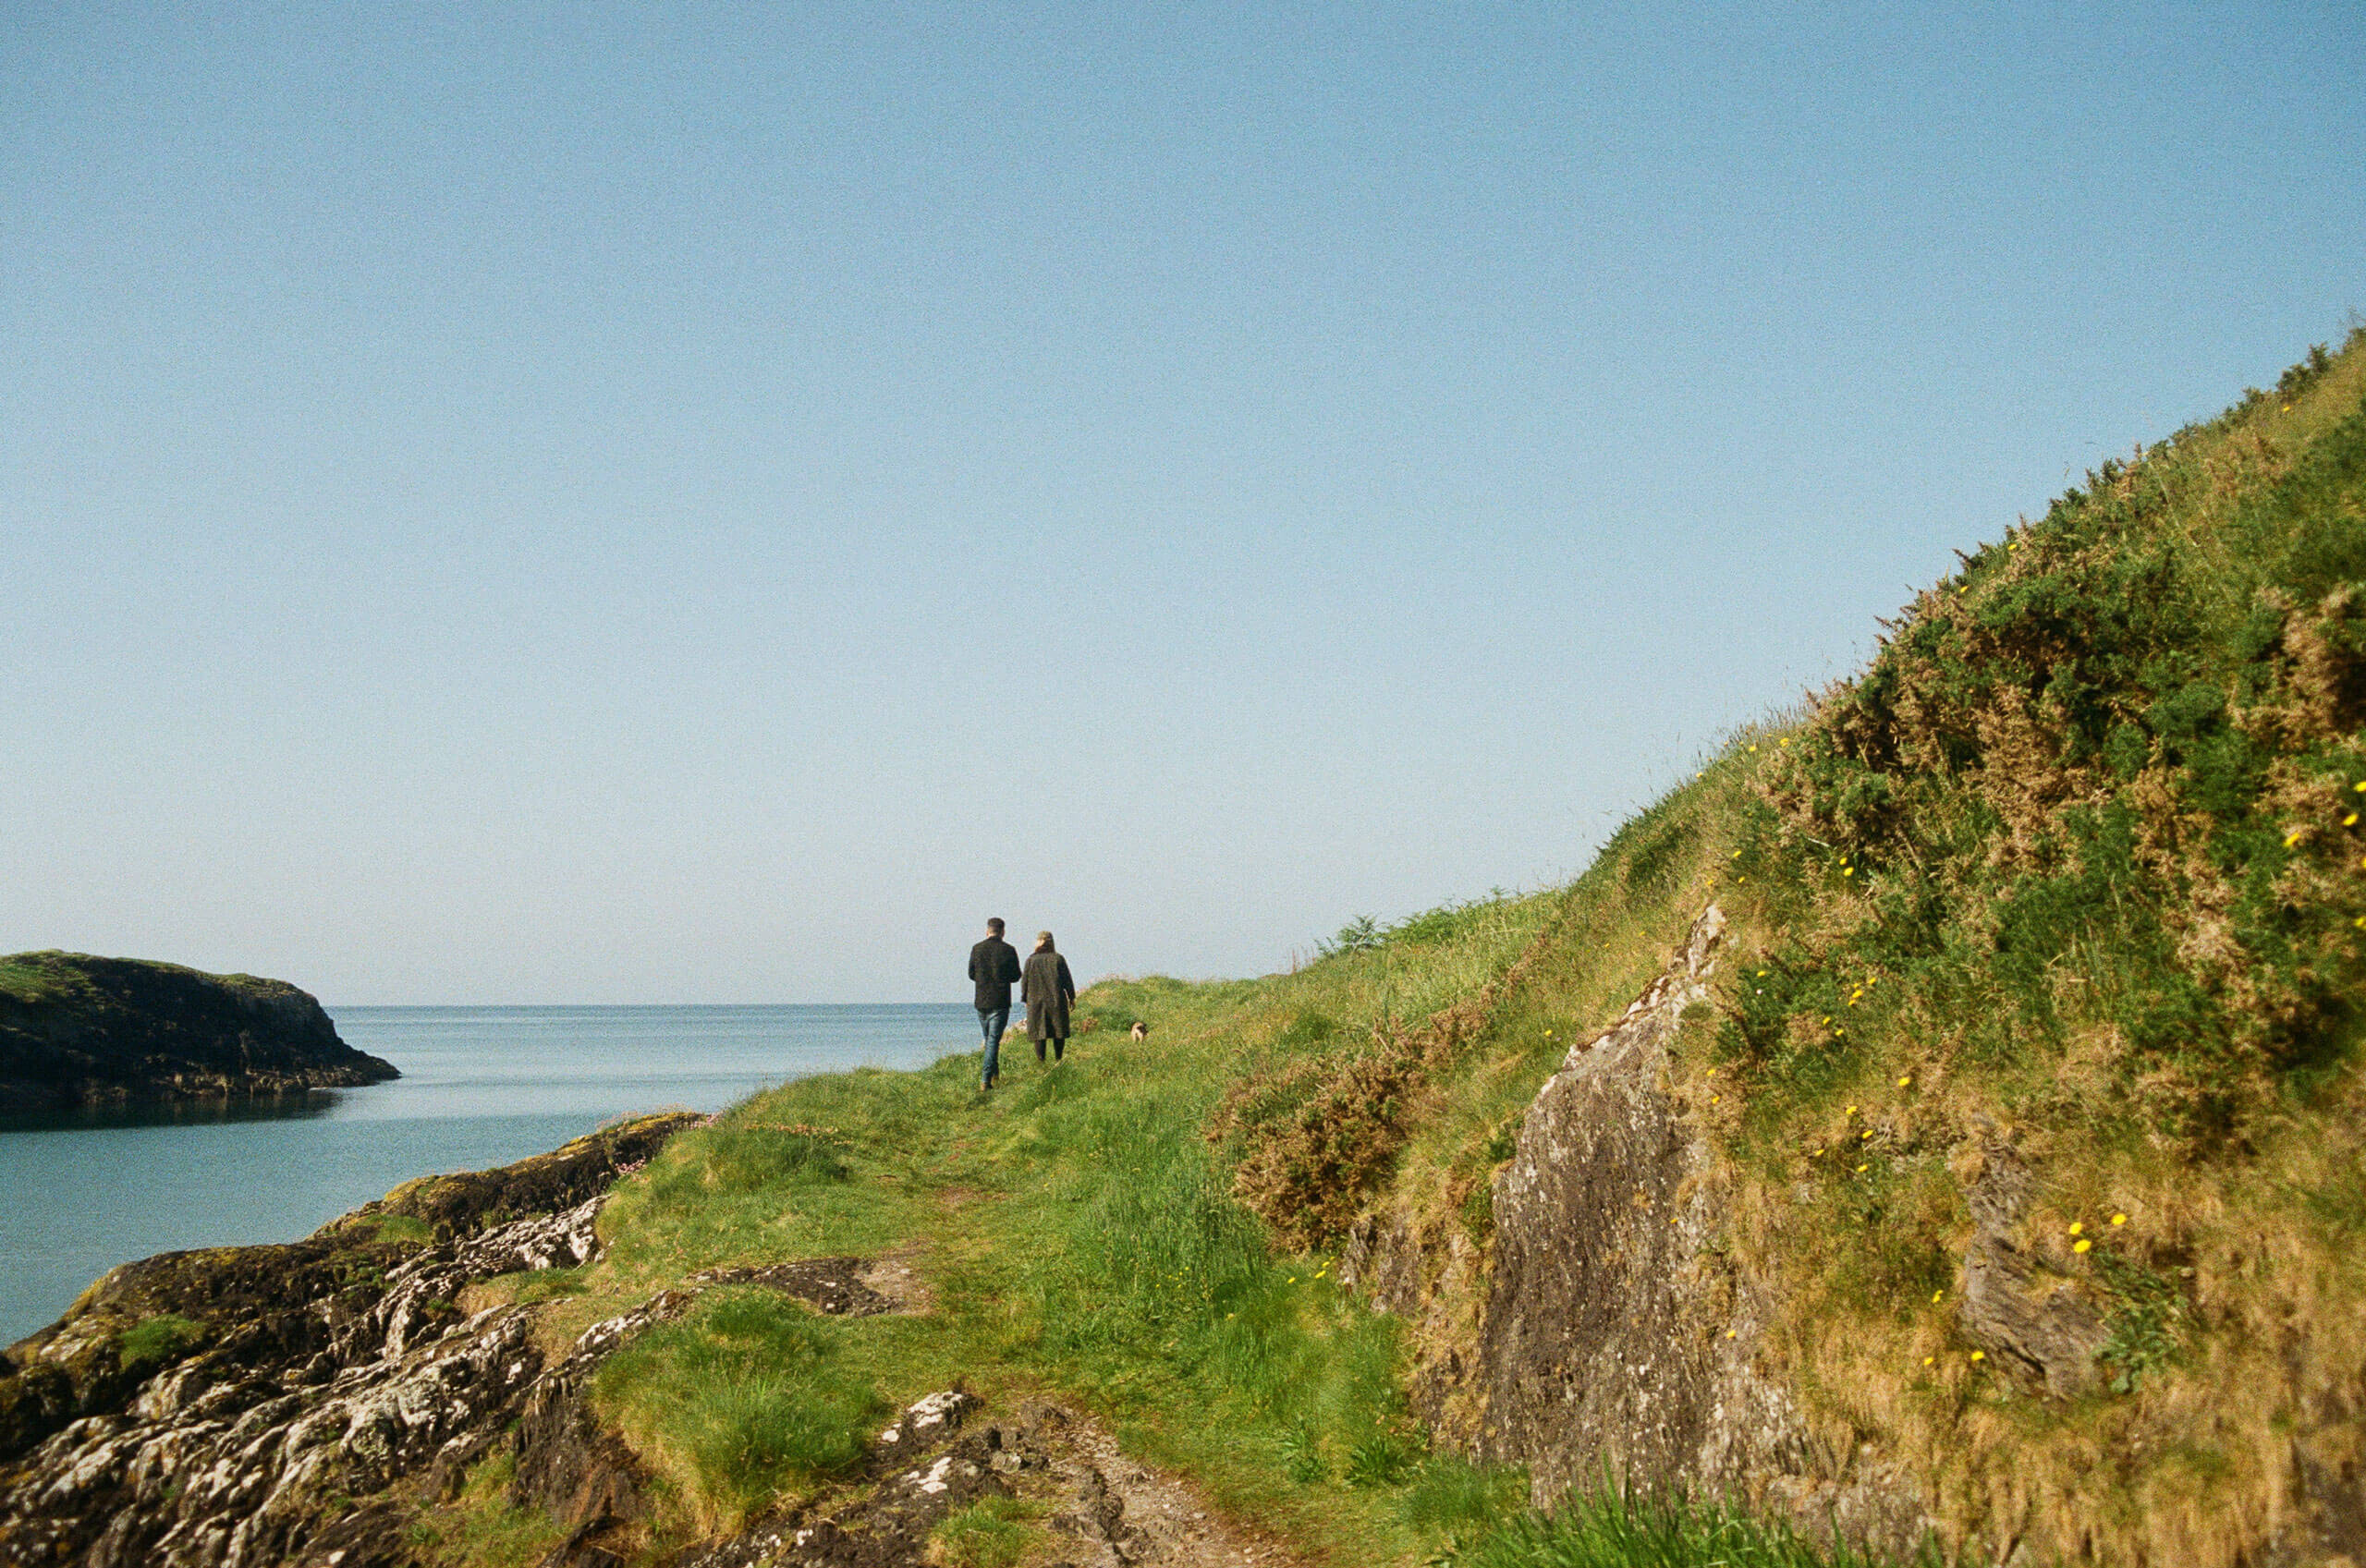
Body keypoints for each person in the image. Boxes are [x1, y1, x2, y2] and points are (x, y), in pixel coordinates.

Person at [969, 918, 1022, 1091]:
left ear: (987, 931)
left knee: (989, 1039)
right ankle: (985, 1080)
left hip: (981, 1000)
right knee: (993, 1041)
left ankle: (994, 1074)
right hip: (1000, 1000)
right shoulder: (1009, 950)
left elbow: (971, 974)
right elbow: (1016, 976)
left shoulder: (977, 949)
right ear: (1003, 932)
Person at [1022, 930, 1077, 1064]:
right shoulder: (1058, 959)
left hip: (1036, 1001)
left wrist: (1025, 999)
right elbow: (1067, 980)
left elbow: (1025, 982)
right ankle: (1058, 1060)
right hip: (1056, 999)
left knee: (1039, 1032)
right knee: (1059, 1031)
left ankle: (1041, 1062)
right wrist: (1071, 997)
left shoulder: (1031, 960)